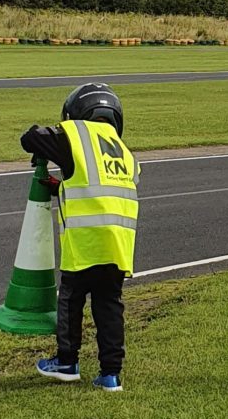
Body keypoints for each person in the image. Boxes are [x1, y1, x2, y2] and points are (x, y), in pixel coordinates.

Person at [20, 83, 140, 392]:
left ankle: (67, 361)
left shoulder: (76, 135)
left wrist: (42, 146)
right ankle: (111, 374)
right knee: (109, 306)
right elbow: (96, 190)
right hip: (117, 245)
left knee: (71, 301)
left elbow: (31, 138)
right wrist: (58, 186)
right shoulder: (124, 153)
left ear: (77, 113)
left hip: (84, 244)